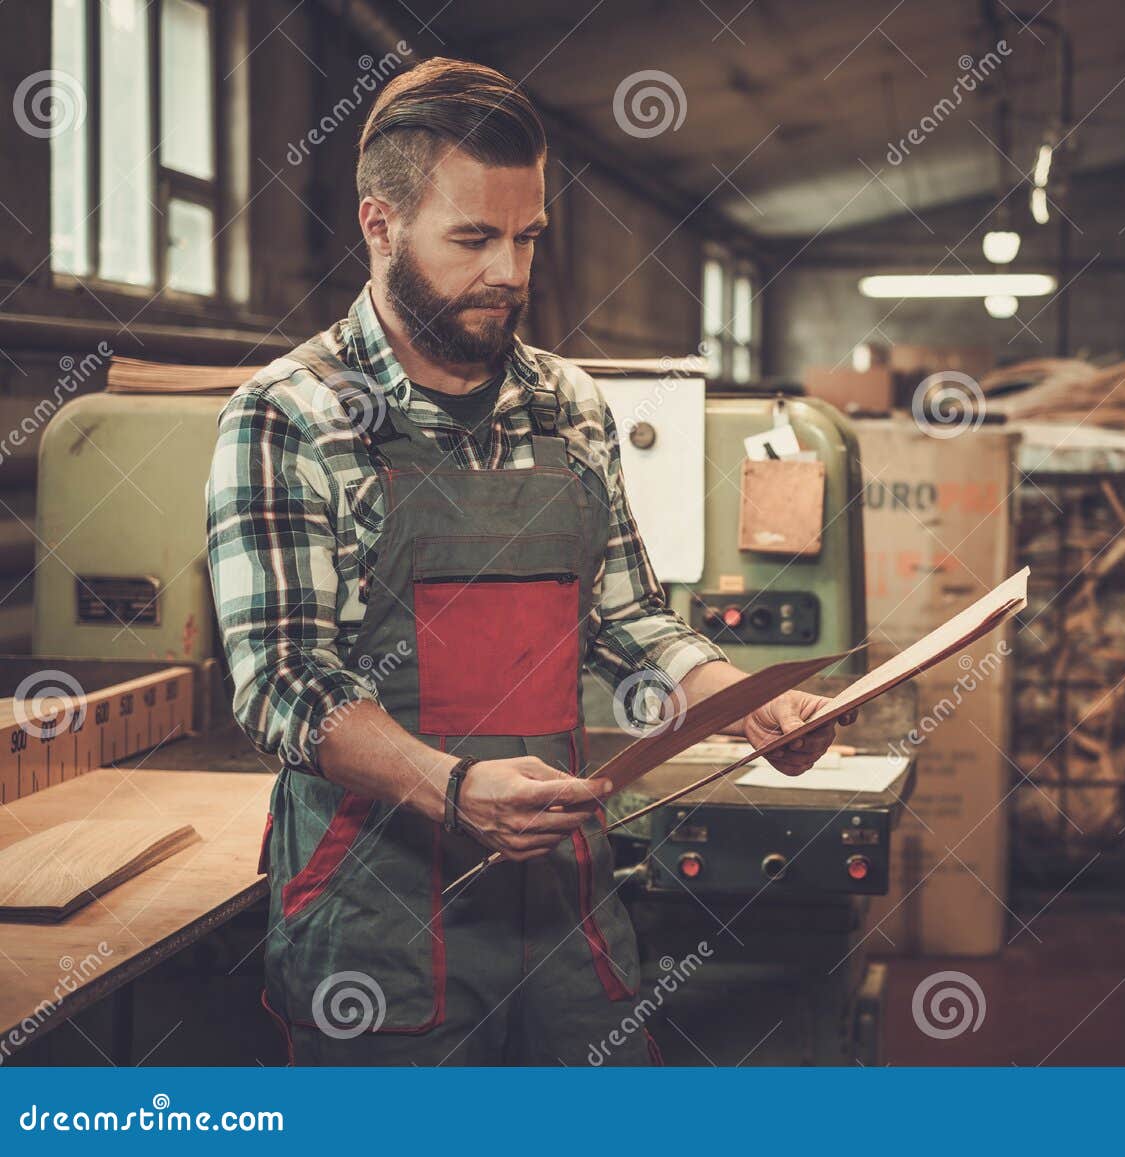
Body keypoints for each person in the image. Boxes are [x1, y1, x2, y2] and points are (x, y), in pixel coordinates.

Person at [205, 57, 848, 1066]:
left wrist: (743, 702)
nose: (509, 270)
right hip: (375, 924)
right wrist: (452, 787)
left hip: (565, 917)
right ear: (380, 225)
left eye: (527, 236)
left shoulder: (571, 406)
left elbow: (629, 618)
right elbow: (283, 684)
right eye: (474, 238)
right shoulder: (290, 416)